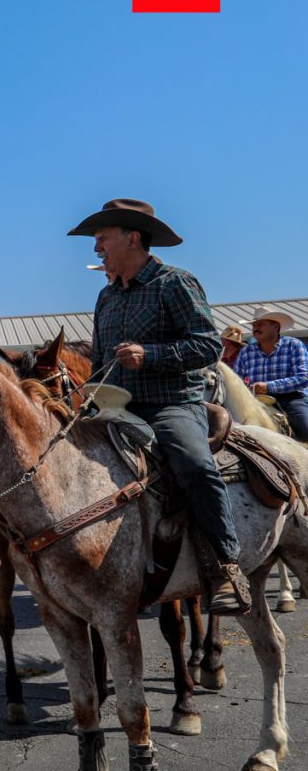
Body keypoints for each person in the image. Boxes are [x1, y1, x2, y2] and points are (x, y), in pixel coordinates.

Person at [69, 197, 250, 614]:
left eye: (102, 238)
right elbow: (99, 363)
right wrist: (84, 401)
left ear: (132, 237)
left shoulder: (176, 283)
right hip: (114, 406)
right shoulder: (106, 298)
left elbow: (208, 345)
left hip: (170, 405)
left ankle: (226, 567)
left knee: (196, 465)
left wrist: (150, 355)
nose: (96, 248)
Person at [234, 307, 308, 441]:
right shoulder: (246, 352)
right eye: (254, 325)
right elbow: (236, 381)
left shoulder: (294, 345)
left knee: (306, 428)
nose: (255, 328)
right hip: (255, 401)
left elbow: (304, 378)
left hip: (290, 399)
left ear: (275, 326)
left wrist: (269, 387)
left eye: (260, 324)